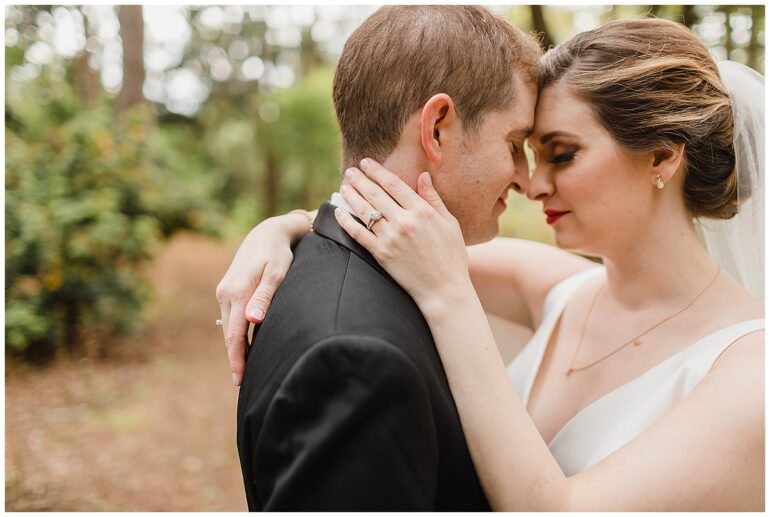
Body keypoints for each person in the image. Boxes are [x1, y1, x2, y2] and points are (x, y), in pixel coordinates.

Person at [218, 18, 764, 511]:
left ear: (663, 157)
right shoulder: (562, 287)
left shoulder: (750, 373)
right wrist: (282, 229)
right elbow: (373, 232)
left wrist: (450, 298)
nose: (533, 183)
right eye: (525, 148)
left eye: (562, 153)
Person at [225, 6, 544, 511]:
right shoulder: (355, 361)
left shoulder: (330, 260)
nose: (527, 179)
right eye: (515, 143)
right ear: (437, 129)